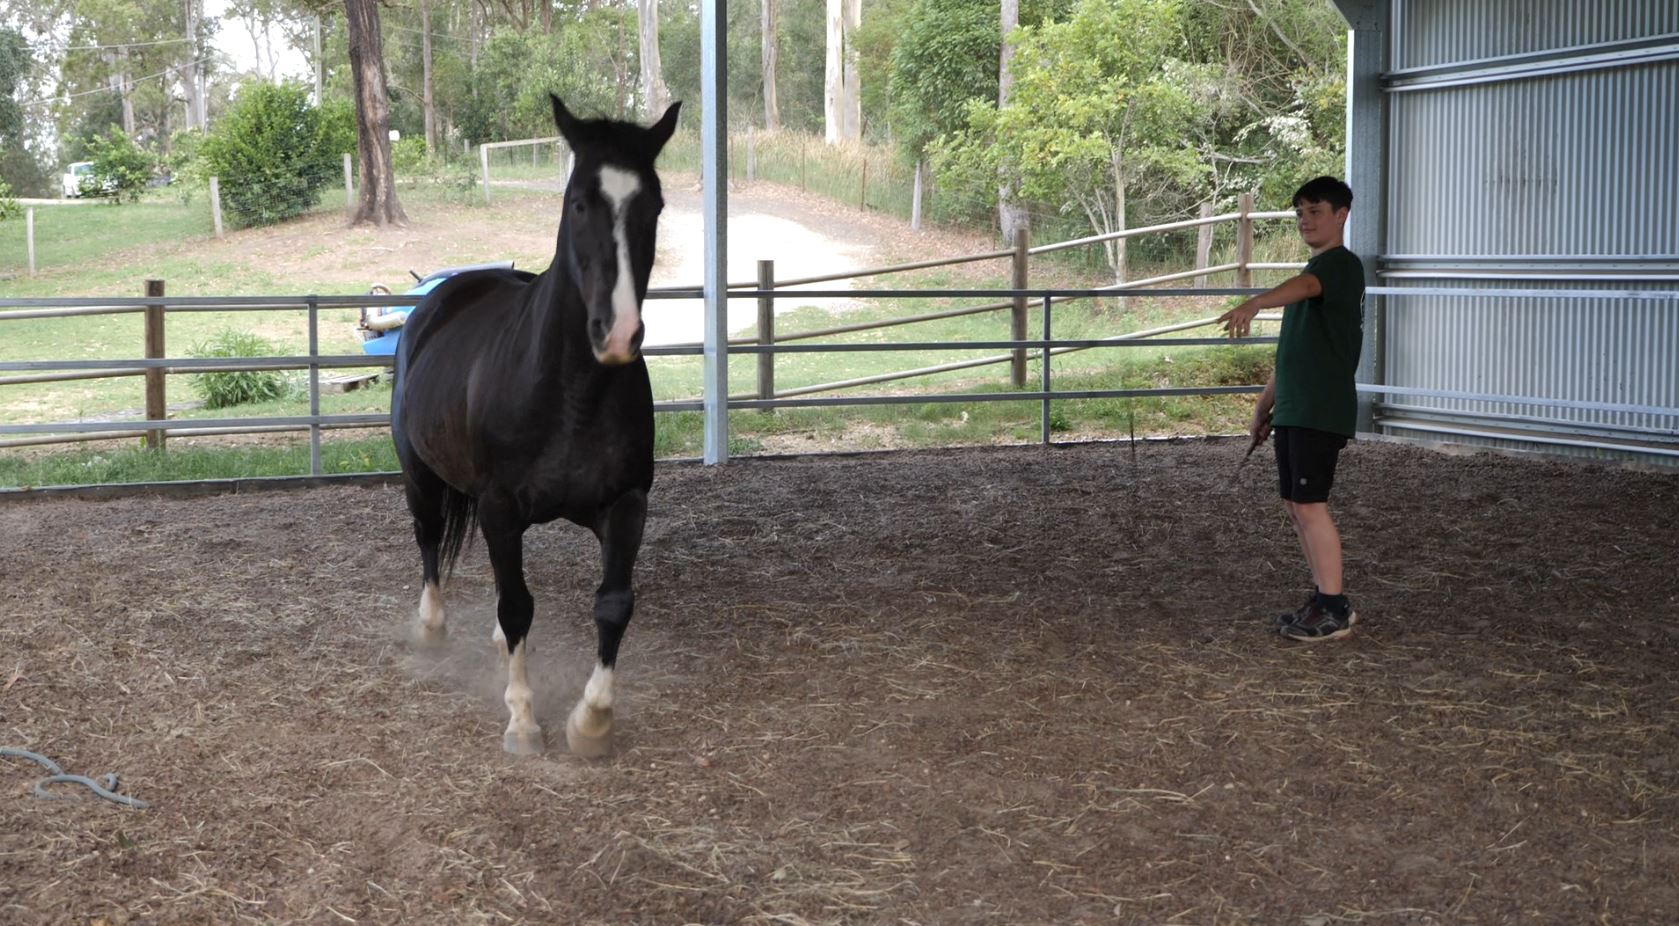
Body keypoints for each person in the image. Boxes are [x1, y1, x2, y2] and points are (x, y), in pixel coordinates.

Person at [1217, 176, 1364, 642]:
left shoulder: (1339, 267)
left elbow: (1304, 286)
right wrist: (1265, 405)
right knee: (1296, 504)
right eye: (1300, 212)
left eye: (1315, 211)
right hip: (1297, 408)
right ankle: (1323, 597)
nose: (1305, 220)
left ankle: (1336, 607)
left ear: (1341, 215)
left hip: (1321, 407)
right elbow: (1292, 353)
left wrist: (1257, 301)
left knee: (1310, 504)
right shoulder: (1311, 277)